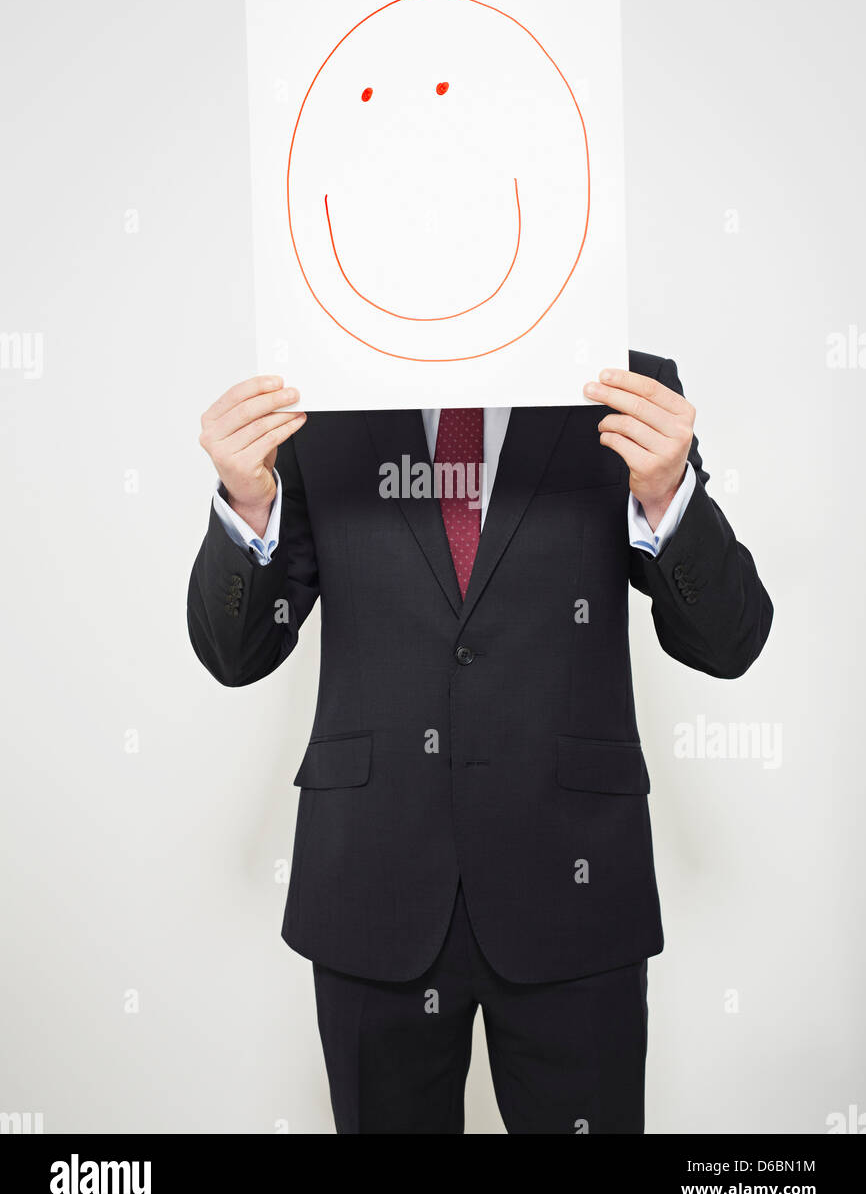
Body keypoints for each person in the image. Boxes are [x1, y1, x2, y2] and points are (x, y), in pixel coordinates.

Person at [187, 355, 772, 1134]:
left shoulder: (624, 380)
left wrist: (667, 495)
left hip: (575, 888)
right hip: (372, 883)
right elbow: (239, 651)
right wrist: (247, 501)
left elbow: (728, 641)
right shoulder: (318, 385)